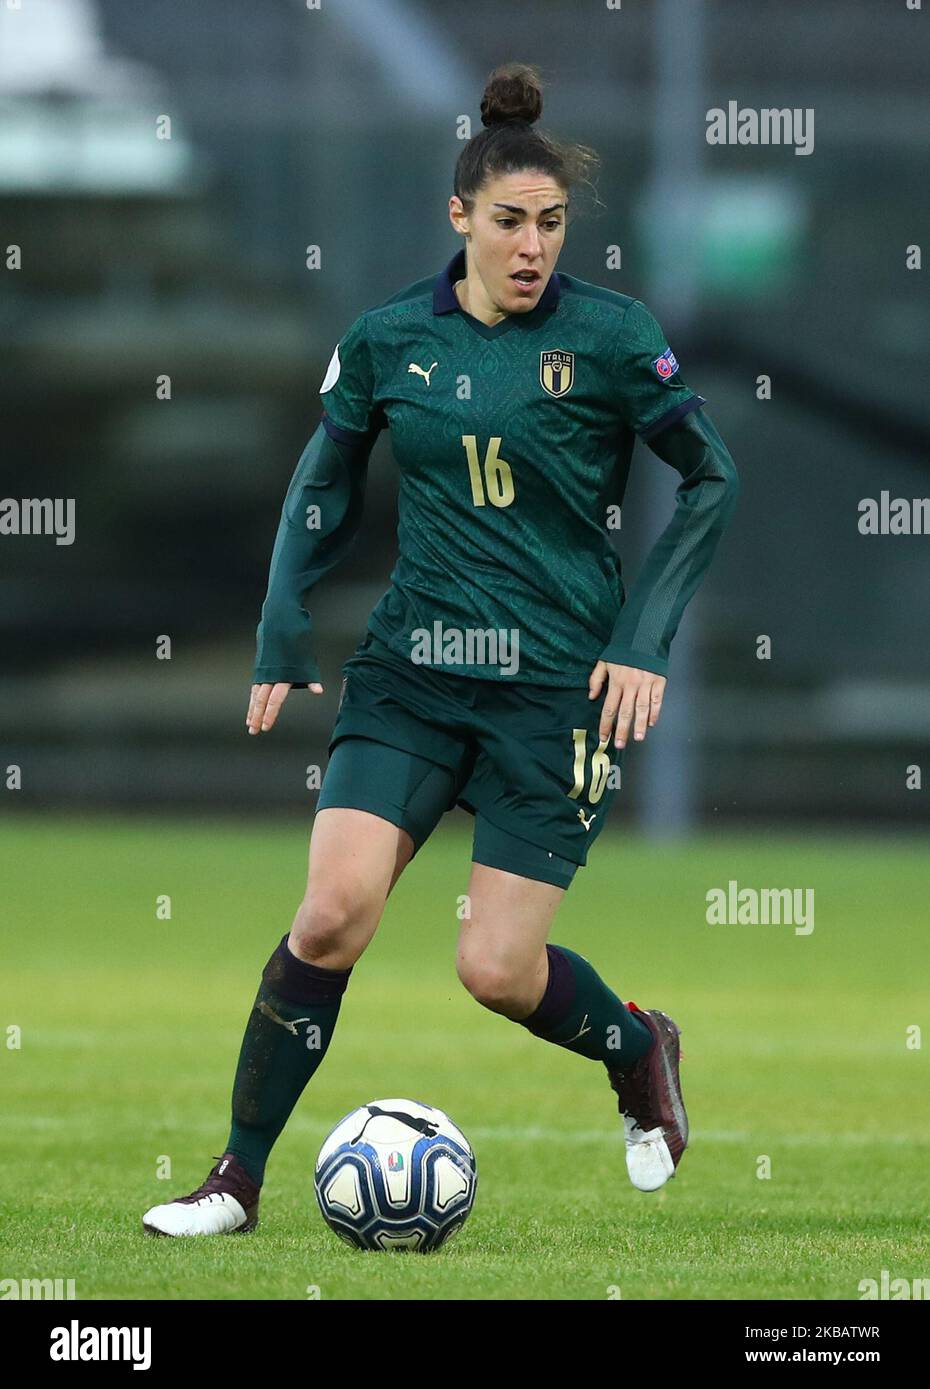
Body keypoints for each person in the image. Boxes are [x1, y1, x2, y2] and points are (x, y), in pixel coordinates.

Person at [143, 62, 738, 1238]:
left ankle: (636, 1046)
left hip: (554, 696)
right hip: (413, 676)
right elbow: (324, 484)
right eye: (511, 222)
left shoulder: (614, 338)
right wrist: (280, 628)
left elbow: (713, 478)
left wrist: (642, 642)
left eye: (553, 225)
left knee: (496, 973)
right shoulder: (386, 342)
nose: (533, 248)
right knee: (329, 916)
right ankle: (236, 1180)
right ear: (459, 216)